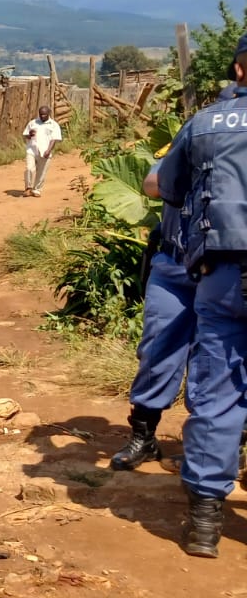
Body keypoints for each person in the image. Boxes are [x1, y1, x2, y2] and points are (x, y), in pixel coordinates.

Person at [155, 36, 247, 557]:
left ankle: (206, 520)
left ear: (237, 68)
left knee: (217, 391)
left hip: (224, 273)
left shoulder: (206, 123)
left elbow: (167, 187)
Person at [113, 165, 193, 470]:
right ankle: (143, 438)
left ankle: (215, 449)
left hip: (225, 270)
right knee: (156, 349)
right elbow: (151, 184)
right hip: (174, 265)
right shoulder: (196, 135)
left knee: (213, 363)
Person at [22, 104, 62, 197]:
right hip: (32, 150)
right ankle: (28, 188)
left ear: (49, 113)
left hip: (45, 151)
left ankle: (37, 189)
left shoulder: (54, 125)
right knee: (29, 168)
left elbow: (54, 139)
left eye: (44, 114)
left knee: (41, 171)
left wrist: (48, 150)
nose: (42, 116)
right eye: (40, 114)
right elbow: (25, 135)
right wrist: (29, 135)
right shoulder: (33, 123)